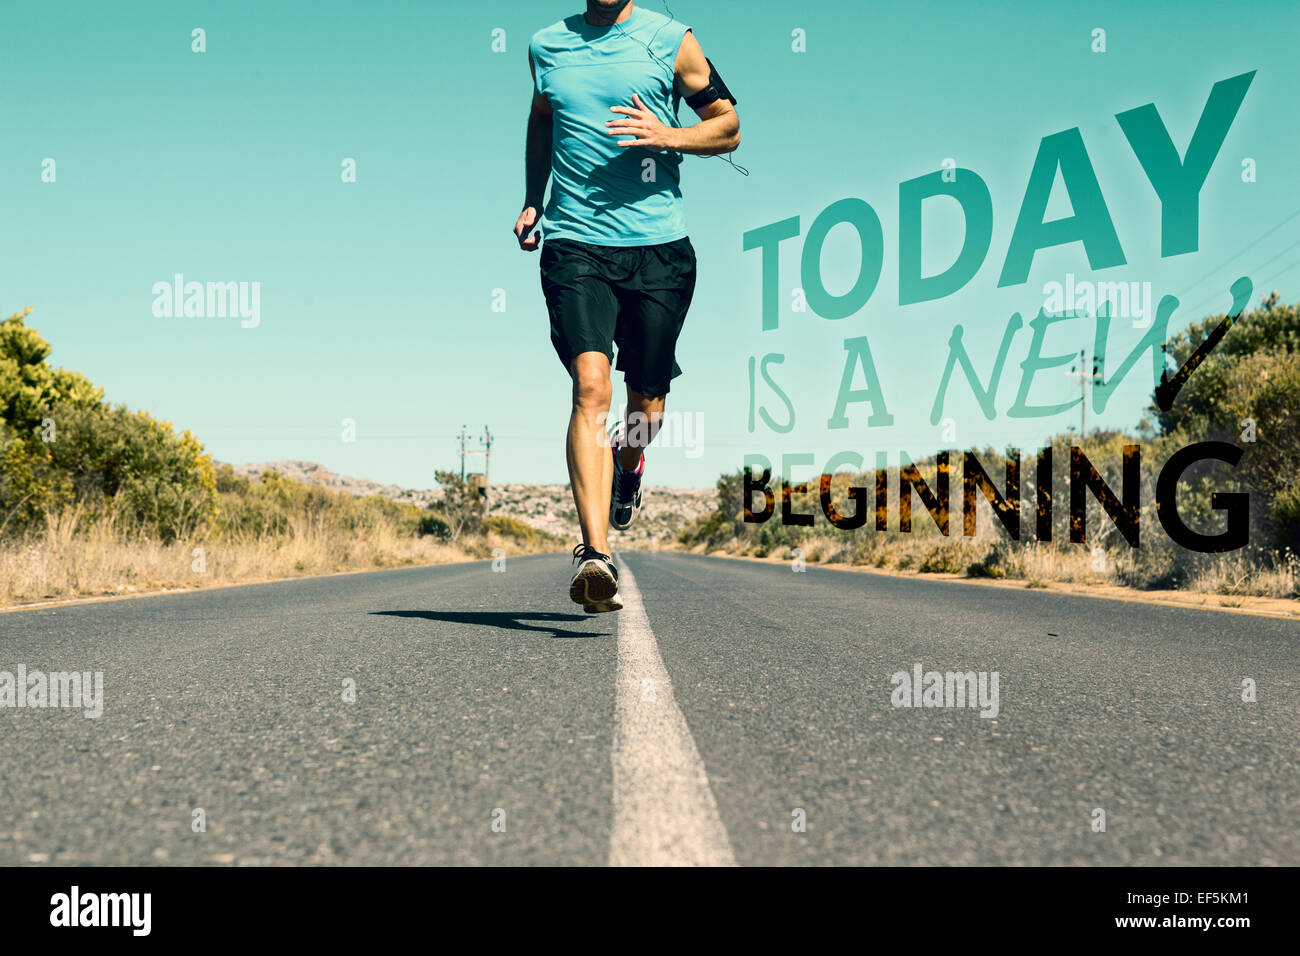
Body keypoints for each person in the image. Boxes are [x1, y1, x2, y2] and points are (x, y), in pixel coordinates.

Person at [514, 0, 739, 612]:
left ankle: (628, 463)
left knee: (648, 405)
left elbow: (729, 125)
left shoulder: (672, 40)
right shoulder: (546, 46)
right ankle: (595, 554)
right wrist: (534, 198)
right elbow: (542, 118)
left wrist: (669, 135)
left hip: (659, 249)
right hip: (575, 242)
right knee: (591, 386)